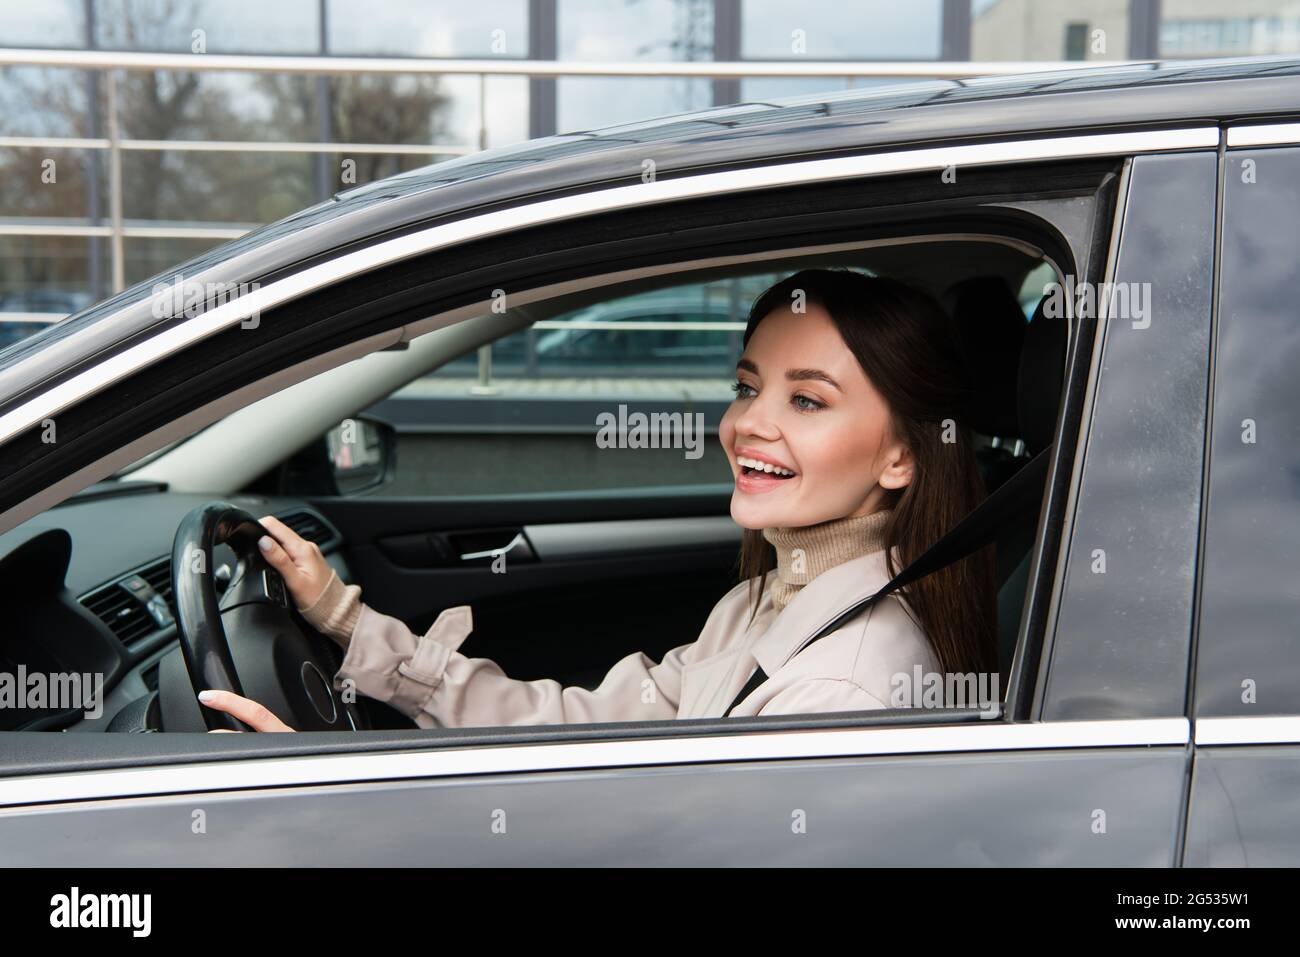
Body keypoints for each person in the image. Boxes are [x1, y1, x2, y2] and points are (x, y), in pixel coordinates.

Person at [199, 268, 996, 732]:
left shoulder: (841, 691)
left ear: (900, 456)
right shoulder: (768, 599)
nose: (748, 423)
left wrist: (327, 825)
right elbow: (581, 727)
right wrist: (346, 622)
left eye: (808, 401)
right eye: (748, 387)